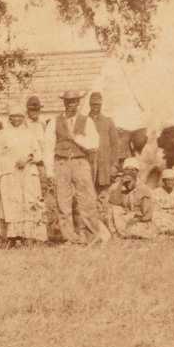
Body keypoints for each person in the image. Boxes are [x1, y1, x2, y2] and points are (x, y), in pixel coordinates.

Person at [53, 90, 109, 245]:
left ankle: (93, 236)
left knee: (87, 199)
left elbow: (94, 144)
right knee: (63, 201)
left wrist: (75, 137)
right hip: (61, 163)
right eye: (68, 101)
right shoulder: (55, 121)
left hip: (80, 162)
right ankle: (70, 238)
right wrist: (50, 169)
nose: (71, 104)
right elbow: (48, 145)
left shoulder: (87, 121)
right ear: (64, 103)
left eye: (74, 101)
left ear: (78, 103)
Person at [0, 106, 47, 245]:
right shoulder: (2, 134)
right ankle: (12, 237)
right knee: (11, 204)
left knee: (28, 203)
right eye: (13, 116)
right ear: (9, 118)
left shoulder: (30, 133)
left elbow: (39, 154)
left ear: (23, 117)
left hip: (27, 173)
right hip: (9, 174)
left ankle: (28, 236)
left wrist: (27, 160)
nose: (16, 119)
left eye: (19, 116)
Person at [24, 95, 58, 239]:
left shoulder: (44, 125)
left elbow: (48, 146)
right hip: (28, 164)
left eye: (37, 109)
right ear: (27, 110)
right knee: (29, 196)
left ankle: (46, 231)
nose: (34, 112)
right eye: (32, 109)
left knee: (44, 196)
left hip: (42, 165)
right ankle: (30, 232)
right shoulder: (23, 125)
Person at [87, 91, 122, 211]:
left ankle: (103, 215)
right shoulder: (84, 121)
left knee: (103, 192)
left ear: (101, 105)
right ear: (89, 104)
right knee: (88, 191)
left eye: (98, 104)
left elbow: (115, 144)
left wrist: (114, 165)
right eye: (93, 104)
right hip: (88, 163)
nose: (95, 107)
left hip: (104, 164)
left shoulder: (108, 121)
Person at [106, 158, 154, 239]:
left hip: (138, 221)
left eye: (133, 170)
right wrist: (121, 184)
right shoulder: (117, 186)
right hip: (122, 218)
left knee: (137, 230)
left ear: (137, 172)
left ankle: (124, 233)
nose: (130, 172)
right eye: (127, 169)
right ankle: (118, 233)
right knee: (113, 209)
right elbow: (114, 202)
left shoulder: (144, 189)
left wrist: (133, 220)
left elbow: (147, 214)